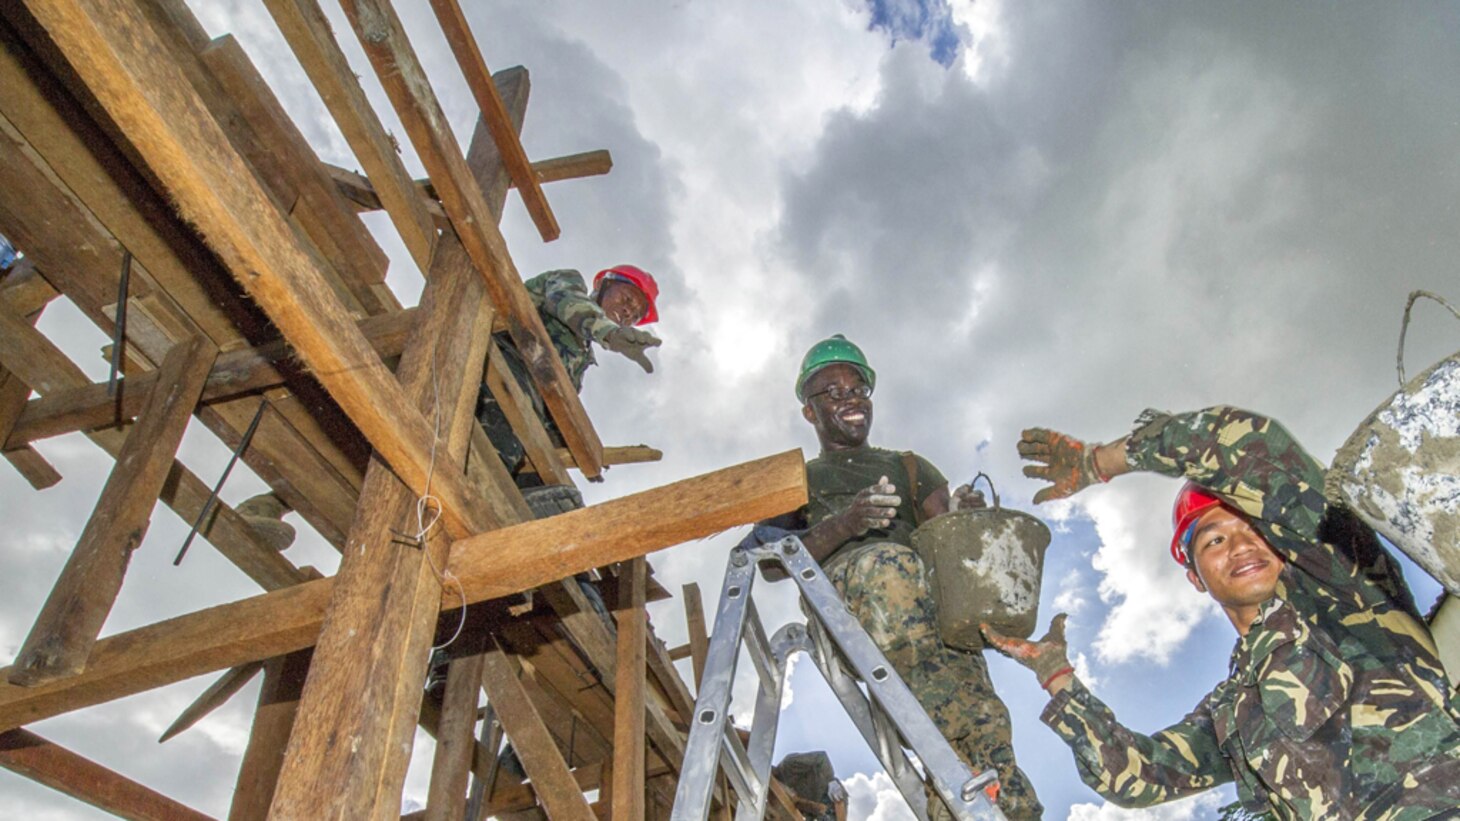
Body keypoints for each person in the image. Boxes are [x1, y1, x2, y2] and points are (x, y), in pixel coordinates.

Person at [986, 405, 1460, 819]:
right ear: (1196, 577)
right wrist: (1055, 673)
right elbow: (1136, 777)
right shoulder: (1233, 708)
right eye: (1215, 539)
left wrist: (1099, 461)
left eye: (1255, 529)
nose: (1241, 545)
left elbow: (1248, 445)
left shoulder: (1341, 587)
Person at [760, 334, 1043, 819]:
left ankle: (998, 810)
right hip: (855, 605)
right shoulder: (798, 480)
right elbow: (766, 563)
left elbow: (943, 534)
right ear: (810, 411)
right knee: (890, 565)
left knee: (987, 724)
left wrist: (962, 518)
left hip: (932, 618)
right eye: (834, 392)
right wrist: (844, 525)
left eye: (858, 390)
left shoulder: (909, 466)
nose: (850, 400)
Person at [477, 265, 661, 481]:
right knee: (491, 460)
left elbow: (553, 410)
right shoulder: (568, 283)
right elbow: (566, 302)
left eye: (636, 315)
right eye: (627, 299)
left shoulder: (580, 357)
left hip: (525, 424)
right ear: (603, 284)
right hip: (496, 369)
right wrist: (610, 334)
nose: (629, 312)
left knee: (558, 496)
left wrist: (580, 451)